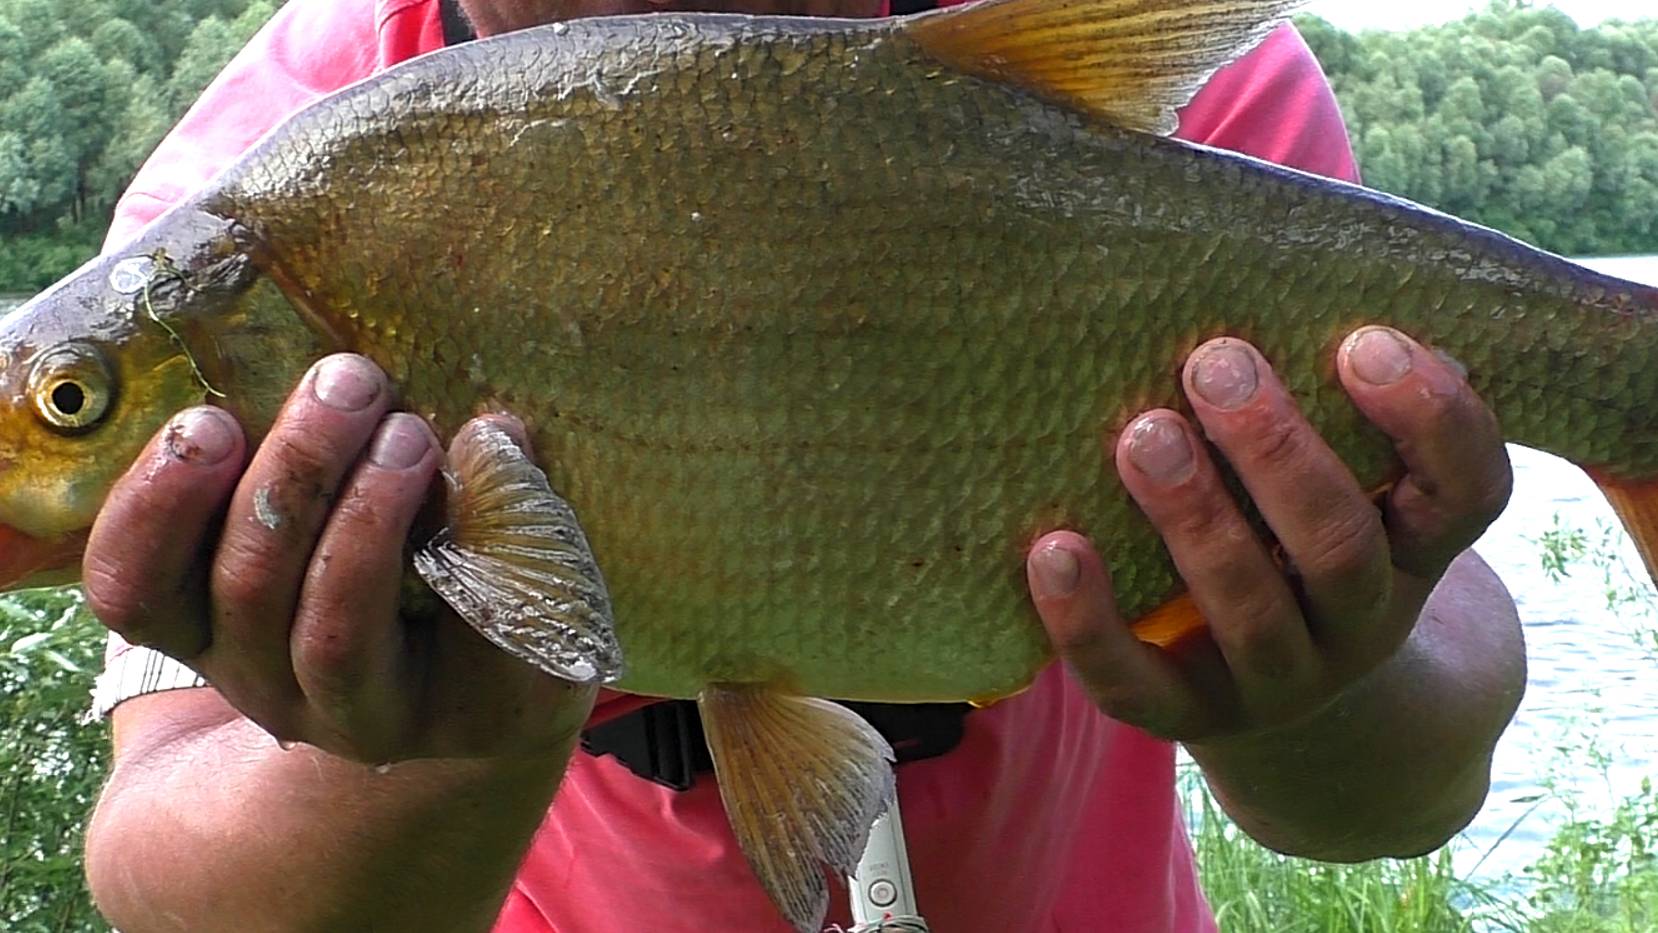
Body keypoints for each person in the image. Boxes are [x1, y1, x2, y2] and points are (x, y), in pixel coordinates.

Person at [80, 1, 1526, 930]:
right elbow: (166, 870)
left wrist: (1307, 680)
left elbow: (1398, 797)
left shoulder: (1137, 76)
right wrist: (454, 731)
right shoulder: (255, 196)